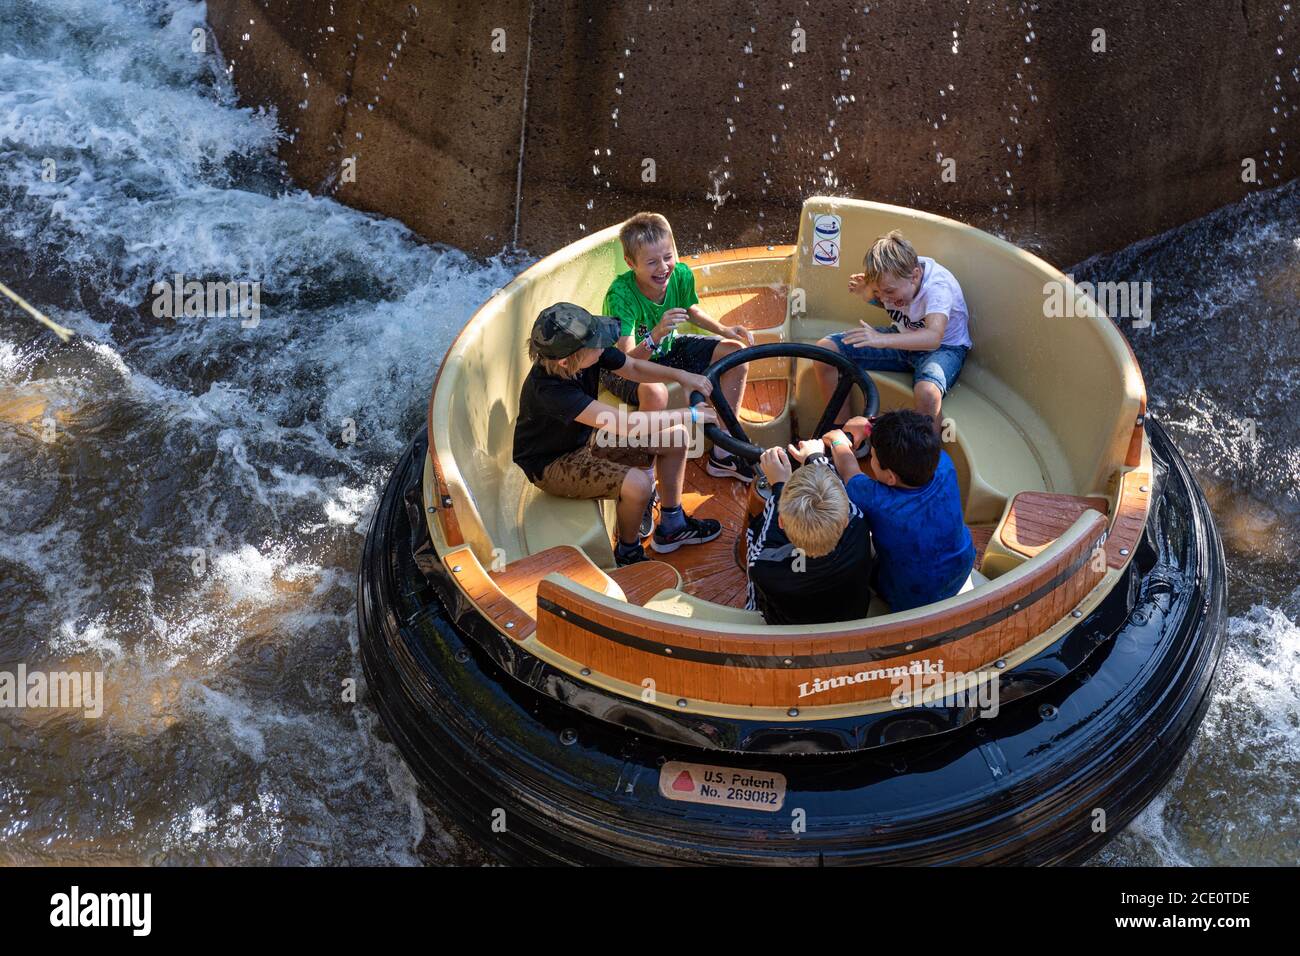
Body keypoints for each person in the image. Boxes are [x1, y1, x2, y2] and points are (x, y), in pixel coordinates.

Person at [512, 302, 722, 566]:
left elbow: (633, 368)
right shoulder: (551, 391)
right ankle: (628, 551)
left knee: (677, 437)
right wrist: (691, 414)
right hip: (553, 464)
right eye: (597, 344)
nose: (603, 347)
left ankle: (673, 524)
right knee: (638, 485)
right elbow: (626, 424)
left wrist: (683, 377)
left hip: (585, 439)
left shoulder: (585, 354)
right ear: (567, 360)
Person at [601, 211, 757, 482]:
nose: (663, 268)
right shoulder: (621, 296)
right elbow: (625, 361)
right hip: (623, 368)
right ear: (630, 262)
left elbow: (691, 309)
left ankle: (723, 454)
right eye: (651, 262)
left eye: (667, 257)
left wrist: (724, 330)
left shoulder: (680, 274)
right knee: (655, 392)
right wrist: (657, 333)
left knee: (735, 354)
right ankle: (644, 470)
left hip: (667, 350)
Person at [815, 230, 972, 433]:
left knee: (927, 393)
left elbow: (933, 337)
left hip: (943, 349)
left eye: (889, 292)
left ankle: (927, 459)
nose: (885, 299)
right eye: (879, 293)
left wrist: (881, 339)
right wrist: (870, 296)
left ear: (915, 276)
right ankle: (840, 433)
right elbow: (900, 306)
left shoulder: (938, 287)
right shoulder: (894, 281)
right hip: (901, 338)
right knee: (826, 352)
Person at [824, 409, 976, 612]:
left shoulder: (876, 500)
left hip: (915, 597)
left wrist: (837, 441)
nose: (871, 458)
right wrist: (870, 427)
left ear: (890, 478)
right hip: (960, 567)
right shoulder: (943, 463)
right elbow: (914, 439)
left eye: (872, 456)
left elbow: (848, 470)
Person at [744, 439, 872, 625]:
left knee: (754, 528)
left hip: (787, 627)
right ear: (845, 521)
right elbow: (843, 496)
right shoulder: (858, 528)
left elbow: (759, 549)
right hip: (851, 617)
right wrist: (816, 457)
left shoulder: (763, 568)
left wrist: (780, 486)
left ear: (780, 521)